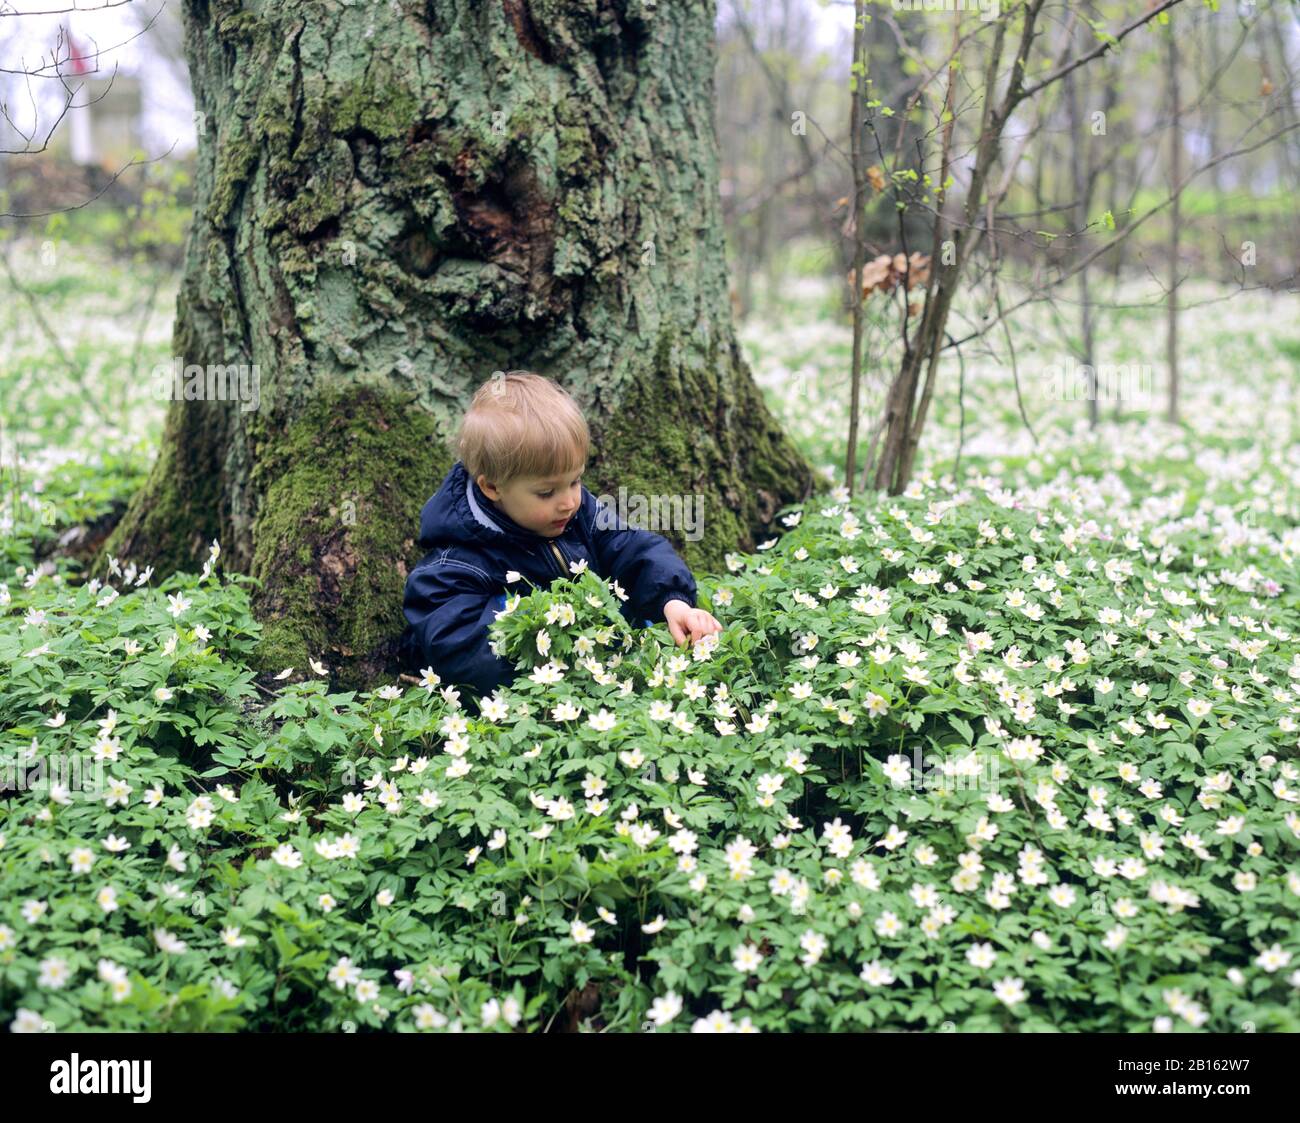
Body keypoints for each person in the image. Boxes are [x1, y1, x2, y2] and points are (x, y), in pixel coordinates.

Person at [398, 371, 722, 696]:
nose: (568, 502)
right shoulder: (457, 564)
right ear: (493, 487)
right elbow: (462, 650)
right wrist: (566, 653)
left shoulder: (579, 513)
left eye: (575, 481)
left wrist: (673, 601)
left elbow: (634, 548)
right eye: (546, 492)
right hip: (536, 688)